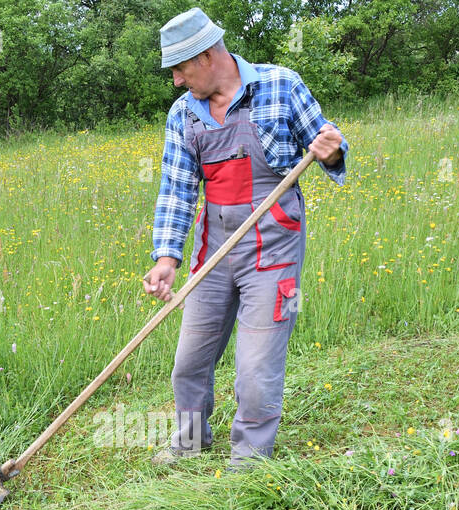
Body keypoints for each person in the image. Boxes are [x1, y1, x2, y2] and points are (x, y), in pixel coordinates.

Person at [142, 6, 347, 471]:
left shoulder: (281, 86)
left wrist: (331, 151)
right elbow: (177, 190)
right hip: (213, 252)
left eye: (180, 68)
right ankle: (191, 443)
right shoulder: (183, 115)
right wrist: (167, 258)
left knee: (256, 370)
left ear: (209, 54)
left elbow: (331, 144)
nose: (176, 80)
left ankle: (249, 465)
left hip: (273, 252)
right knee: (189, 364)